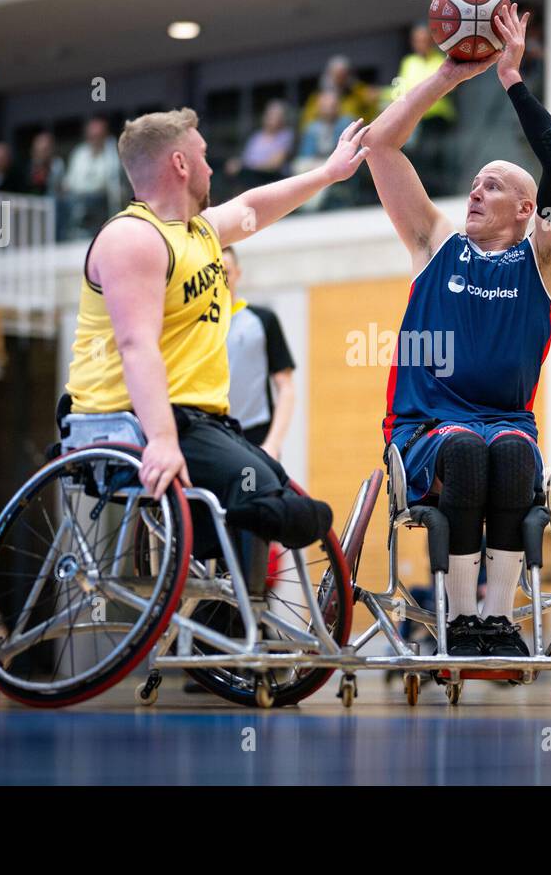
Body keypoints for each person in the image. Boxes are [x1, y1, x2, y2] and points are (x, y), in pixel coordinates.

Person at [64, 107, 367, 598]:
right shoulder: (132, 238)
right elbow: (135, 344)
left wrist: (329, 173)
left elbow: (255, 205)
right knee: (264, 494)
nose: (212, 168)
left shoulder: (197, 232)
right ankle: (232, 623)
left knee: (271, 486)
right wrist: (161, 439)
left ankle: (228, 627)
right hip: (131, 419)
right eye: (204, 156)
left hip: (200, 420)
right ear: (181, 164)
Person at [359, 3, 551, 658]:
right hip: (425, 431)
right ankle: (458, 619)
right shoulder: (435, 242)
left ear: (525, 210)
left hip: (503, 425)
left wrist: (512, 78)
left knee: (511, 453)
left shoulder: (543, 261)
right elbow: (379, 144)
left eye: (493, 186)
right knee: (464, 450)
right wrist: (448, 76)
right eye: (474, 183)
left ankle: (496, 618)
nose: (475, 192)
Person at [221, 247, 295, 458]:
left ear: (237, 273)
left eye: (225, 272)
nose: (221, 279)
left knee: (251, 487)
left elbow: (286, 387)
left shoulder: (262, 321)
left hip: (254, 436)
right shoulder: (198, 326)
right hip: (214, 435)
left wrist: (272, 443)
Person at [389, 25, 457, 194]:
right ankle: (420, 193)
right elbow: (403, 88)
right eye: (418, 40)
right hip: (414, 117)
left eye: (425, 40)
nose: (422, 43)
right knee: (413, 155)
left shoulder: (441, 60)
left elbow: (448, 87)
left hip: (437, 117)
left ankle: (441, 192)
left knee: (433, 153)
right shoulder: (408, 62)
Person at [226, 100, 295, 188]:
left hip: (271, 179)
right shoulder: (256, 136)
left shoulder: (286, 135)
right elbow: (246, 158)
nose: (271, 117)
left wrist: (246, 167)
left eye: (275, 115)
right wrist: (237, 164)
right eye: (269, 114)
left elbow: (274, 165)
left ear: (283, 118)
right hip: (251, 177)